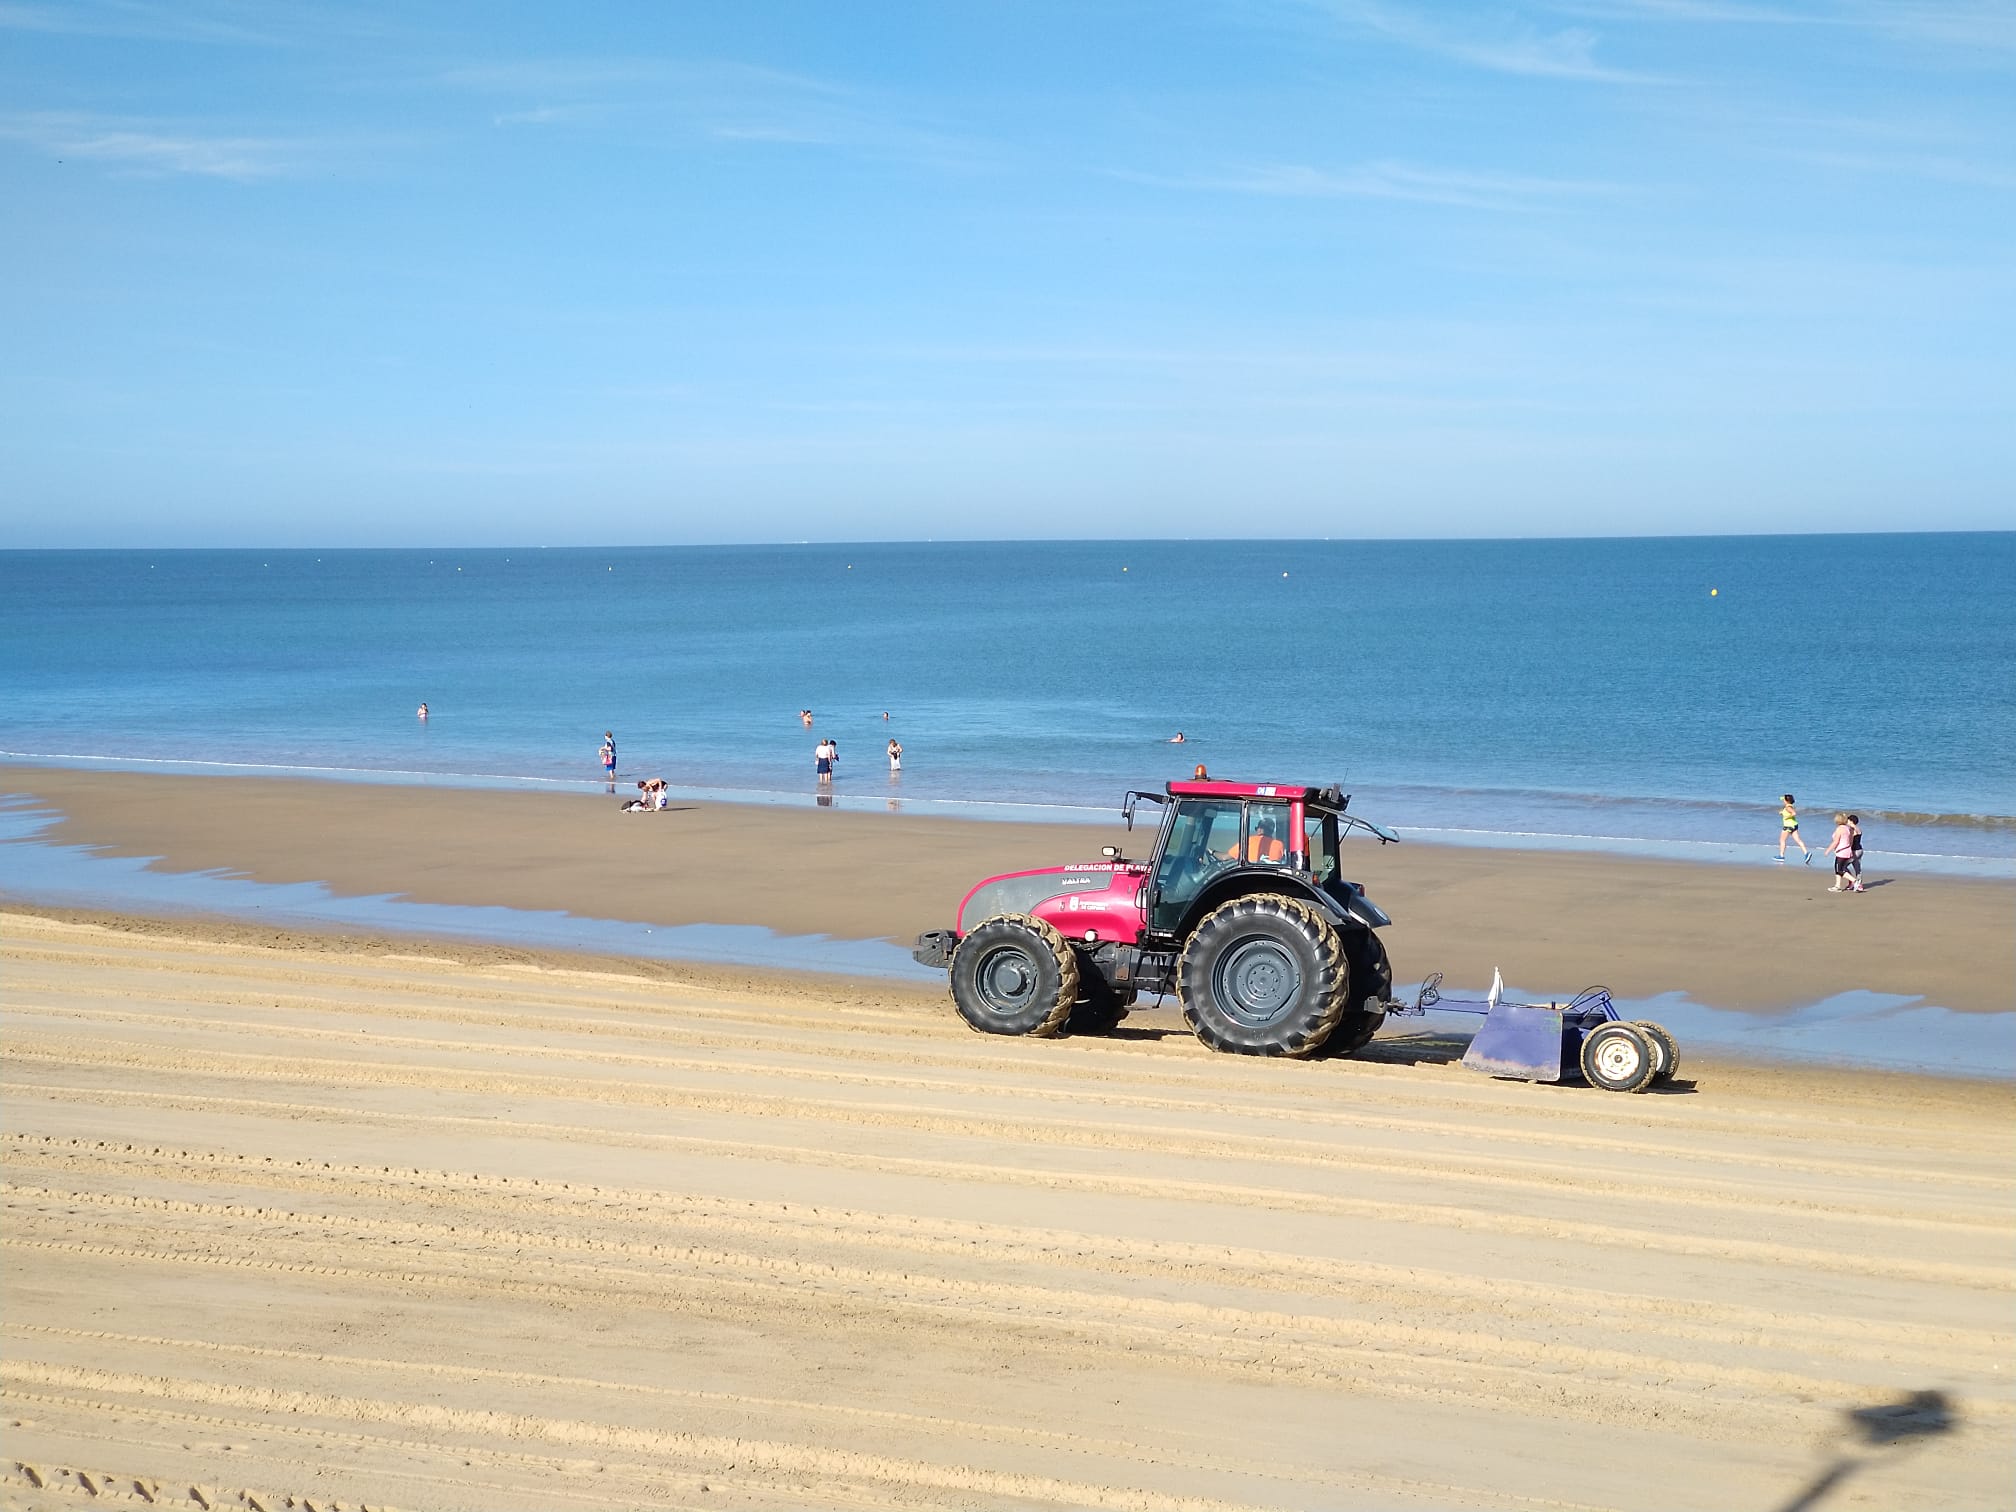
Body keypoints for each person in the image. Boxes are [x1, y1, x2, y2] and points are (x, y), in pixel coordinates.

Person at [1824, 812, 1864, 893]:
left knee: (1841, 869)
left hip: (1846, 852)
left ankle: (1855, 882)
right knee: (1850, 868)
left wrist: (1828, 850)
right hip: (1852, 850)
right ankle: (1839, 885)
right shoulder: (1848, 829)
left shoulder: (1844, 829)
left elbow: (1836, 841)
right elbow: (1850, 841)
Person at [1777, 794, 1809, 863]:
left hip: (1788, 826)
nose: (1783, 801)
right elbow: (1789, 813)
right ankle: (1806, 853)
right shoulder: (1789, 806)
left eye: (1784, 800)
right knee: (1798, 840)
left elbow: (1794, 813)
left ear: (1786, 801)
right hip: (1794, 825)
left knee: (1782, 840)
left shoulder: (1788, 807)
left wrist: (1787, 817)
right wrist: (1782, 813)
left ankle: (1781, 856)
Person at [1847, 812, 1864, 884]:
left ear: (1851, 821)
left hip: (1855, 851)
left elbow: (1850, 841)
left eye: (1848, 820)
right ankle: (1859, 884)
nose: (1847, 822)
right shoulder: (1856, 829)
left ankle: (1852, 881)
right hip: (1859, 850)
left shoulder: (1853, 829)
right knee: (1857, 868)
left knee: (1842, 867)